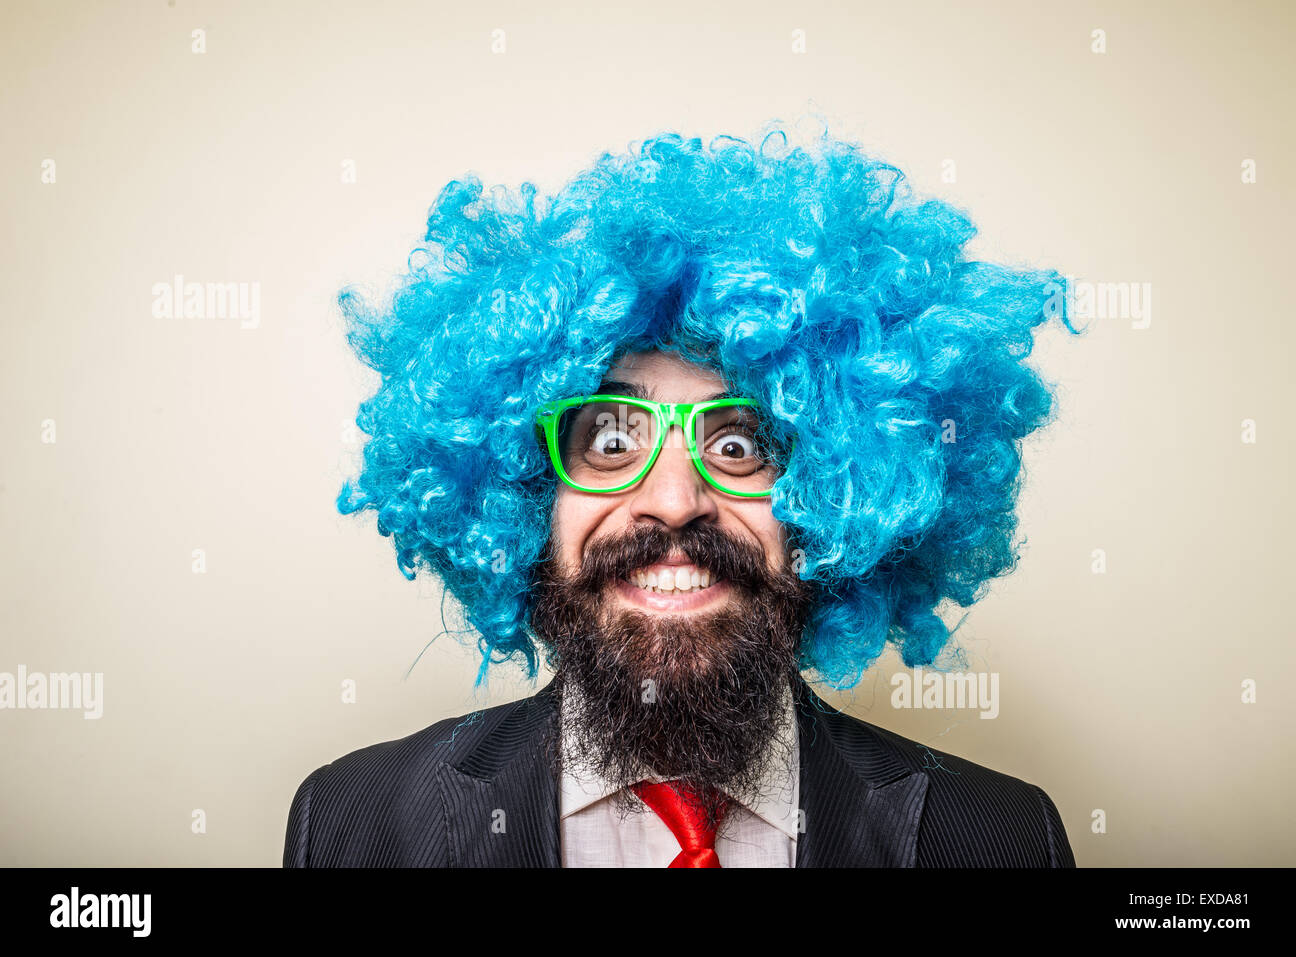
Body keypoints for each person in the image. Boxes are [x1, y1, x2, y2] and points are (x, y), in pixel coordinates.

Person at [283, 123, 1080, 868]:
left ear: (841, 497)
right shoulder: (354, 826)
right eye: (609, 439)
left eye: (739, 444)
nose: (672, 500)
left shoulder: (1002, 840)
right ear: (524, 495)